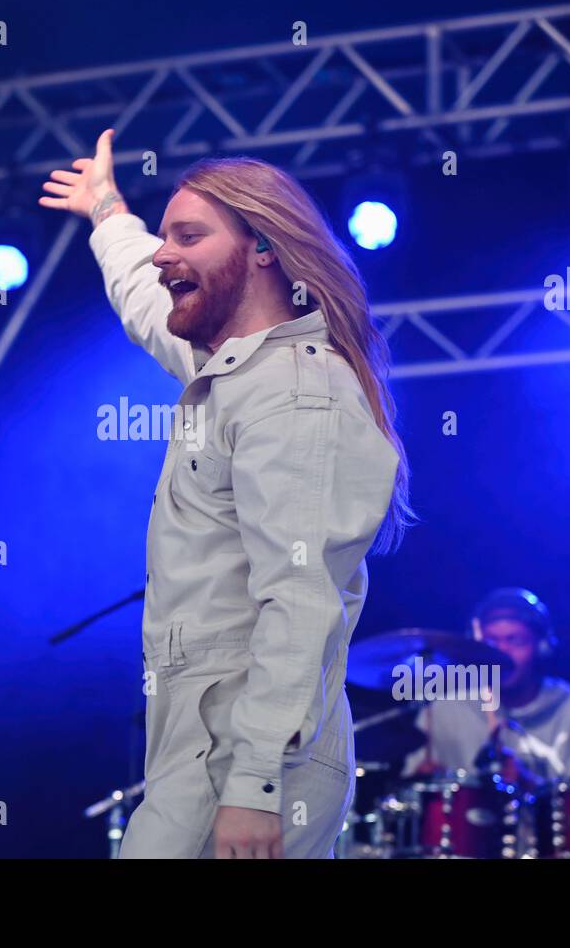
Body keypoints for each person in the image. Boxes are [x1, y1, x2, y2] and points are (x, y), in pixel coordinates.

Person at [39, 130, 413, 858]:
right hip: (210, 736)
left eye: (189, 235)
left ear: (264, 247)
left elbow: (301, 600)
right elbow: (147, 301)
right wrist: (108, 210)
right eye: (164, 233)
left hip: (249, 748)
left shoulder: (293, 397)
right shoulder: (237, 371)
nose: (162, 252)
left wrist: (255, 787)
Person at [401, 587, 570, 789]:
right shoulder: (442, 711)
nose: (501, 653)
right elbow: (411, 794)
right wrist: (425, 784)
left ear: (541, 648)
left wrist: (529, 785)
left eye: (515, 640)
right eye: (490, 642)